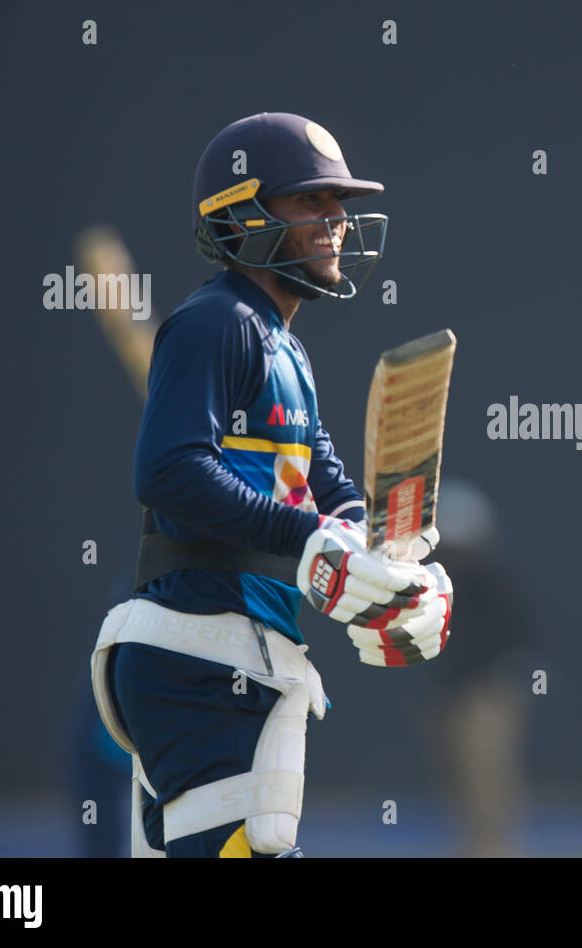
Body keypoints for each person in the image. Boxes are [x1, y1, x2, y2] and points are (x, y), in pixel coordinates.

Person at [89, 112, 452, 858]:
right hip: (207, 651)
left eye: (338, 204)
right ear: (243, 217)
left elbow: (329, 488)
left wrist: (397, 563)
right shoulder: (216, 321)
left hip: (225, 653)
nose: (336, 221)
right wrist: (308, 537)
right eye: (309, 202)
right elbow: (167, 468)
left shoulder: (284, 346)